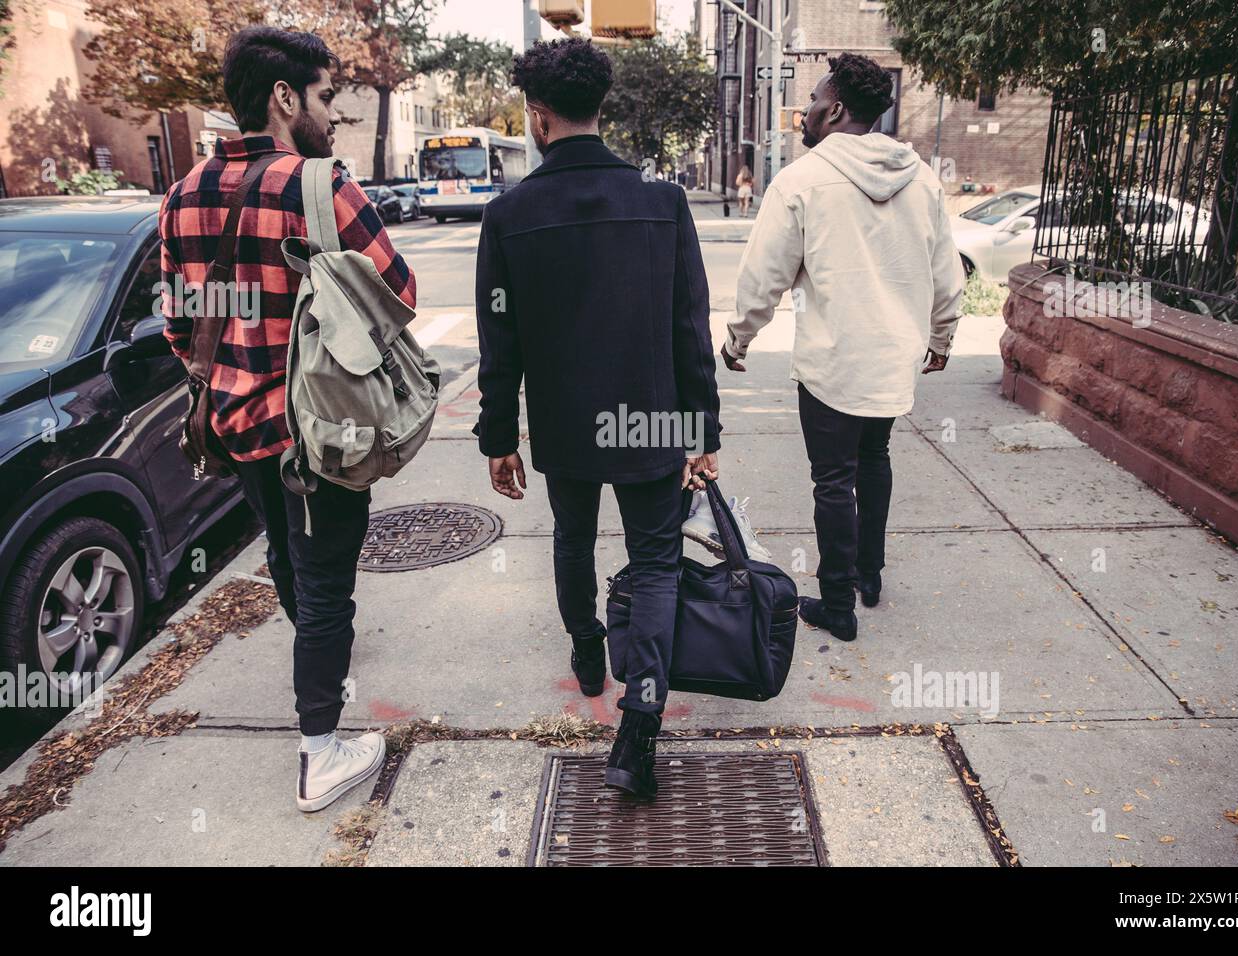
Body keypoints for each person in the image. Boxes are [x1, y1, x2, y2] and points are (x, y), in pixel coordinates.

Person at [159, 26, 417, 812]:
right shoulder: (317, 185)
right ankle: (321, 753)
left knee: (288, 553)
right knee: (328, 578)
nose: (333, 113)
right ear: (284, 98)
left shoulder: (181, 195)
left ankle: (321, 663)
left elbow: (178, 326)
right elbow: (399, 295)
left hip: (234, 429)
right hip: (318, 431)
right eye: (325, 95)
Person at [474, 38, 721, 799]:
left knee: (572, 539)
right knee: (653, 562)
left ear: (537, 117)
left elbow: (499, 337)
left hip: (565, 425)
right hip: (648, 423)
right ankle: (641, 715)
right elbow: (690, 325)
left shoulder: (509, 214)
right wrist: (702, 431)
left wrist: (498, 438)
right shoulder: (661, 201)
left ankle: (587, 649)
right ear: (601, 106)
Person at [722, 53, 964, 642]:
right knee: (874, 460)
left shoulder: (802, 181)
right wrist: (942, 335)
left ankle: (837, 606)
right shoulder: (923, 178)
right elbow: (945, 272)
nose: (803, 109)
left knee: (833, 480)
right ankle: (868, 575)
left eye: (811, 99)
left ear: (833, 110)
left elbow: (765, 274)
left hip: (833, 365)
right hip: (893, 362)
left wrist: (740, 337)